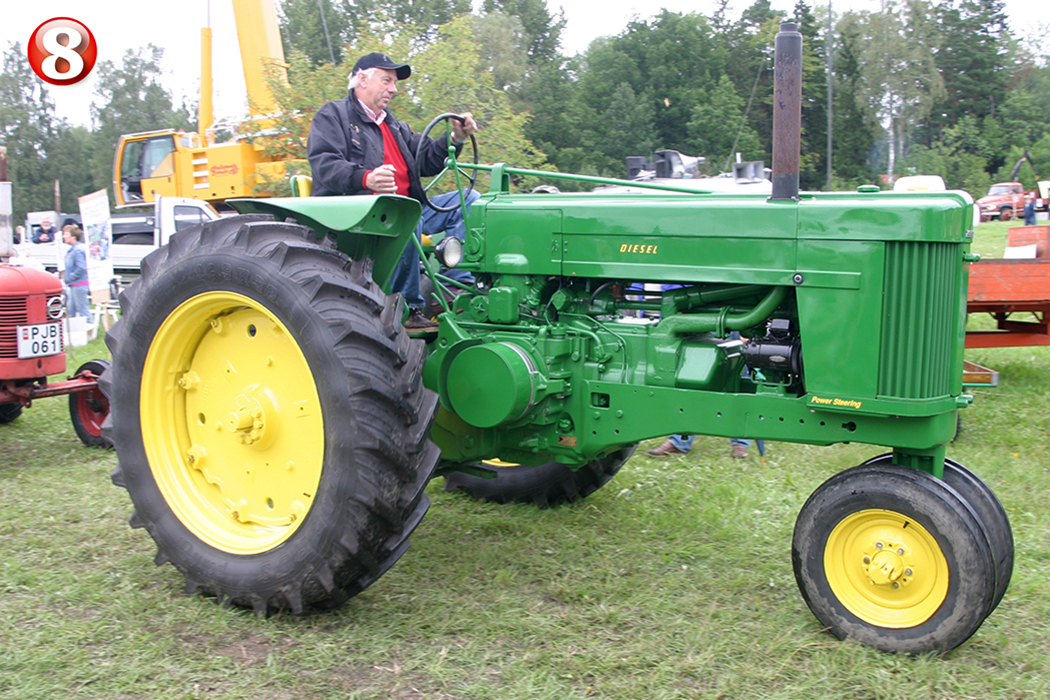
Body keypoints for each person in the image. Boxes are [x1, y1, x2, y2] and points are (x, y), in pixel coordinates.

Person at [307, 52, 480, 332]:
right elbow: (325, 164)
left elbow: (426, 160)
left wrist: (455, 138)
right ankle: (407, 308)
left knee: (470, 201)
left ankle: (452, 289)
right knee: (408, 214)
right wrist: (367, 178)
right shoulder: (333, 115)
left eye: (394, 83)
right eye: (387, 80)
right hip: (362, 213)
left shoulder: (394, 125)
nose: (394, 89)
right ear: (362, 79)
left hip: (406, 208)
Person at [62, 224, 91, 318]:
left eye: (66, 234)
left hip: (79, 284)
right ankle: (74, 331)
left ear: (73, 236)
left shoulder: (77, 250)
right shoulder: (73, 250)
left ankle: (90, 330)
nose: (64, 237)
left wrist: (70, 277)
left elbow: (81, 267)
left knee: (83, 310)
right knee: (70, 310)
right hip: (74, 284)